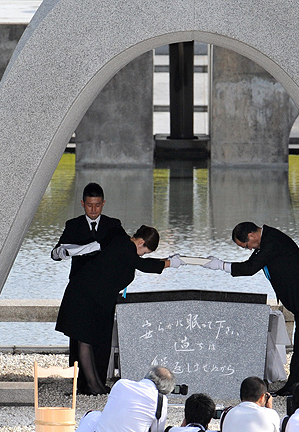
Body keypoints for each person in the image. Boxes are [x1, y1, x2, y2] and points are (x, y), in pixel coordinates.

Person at [203, 222, 299, 395]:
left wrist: (221, 265)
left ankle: (298, 384)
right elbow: (251, 263)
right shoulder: (265, 241)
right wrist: (223, 265)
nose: (248, 249)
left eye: (246, 246)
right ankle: (298, 382)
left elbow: (250, 268)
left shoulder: (272, 241)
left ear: (251, 236)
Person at [55, 225, 183, 394]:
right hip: (83, 296)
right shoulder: (124, 246)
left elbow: (141, 262)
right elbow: (143, 265)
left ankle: (95, 384)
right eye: (145, 252)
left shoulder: (124, 246)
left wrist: (166, 260)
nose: (143, 255)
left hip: (90, 296)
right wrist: (170, 263)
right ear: (141, 242)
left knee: (88, 340)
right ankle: (92, 386)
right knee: (84, 340)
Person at [51, 182, 125, 393]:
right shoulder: (73, 225)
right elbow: (56, 253)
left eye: (98, 205)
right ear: (82, 203)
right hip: (80, 292)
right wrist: (62, 252)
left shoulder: (113, 225)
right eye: (90, 205)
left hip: (104, 292)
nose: (93, 209)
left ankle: (98, 382)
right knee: (79, 337)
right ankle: (80, 384)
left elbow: (126, 251)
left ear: (103, 203)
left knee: (102, 335)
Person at [75, 366, 176, 432]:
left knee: (93, 415)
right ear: (165, 389)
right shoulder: (160, 400)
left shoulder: (121, 383)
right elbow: (157, 430)